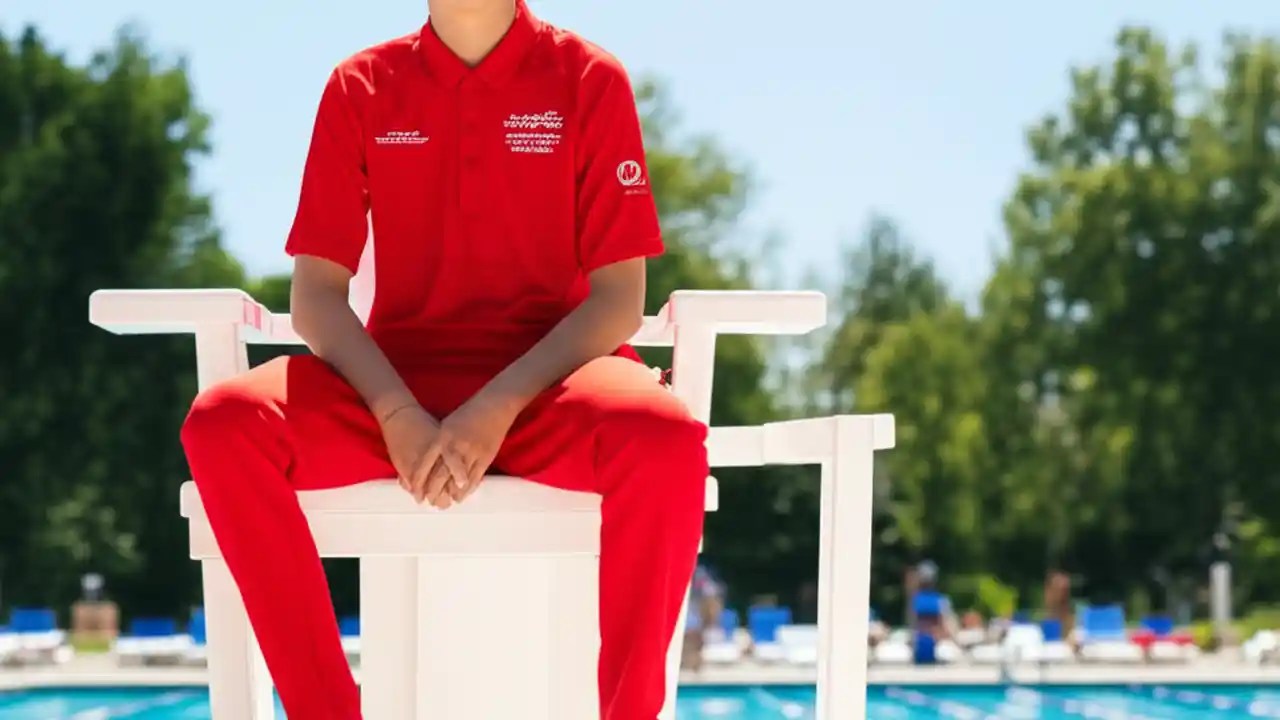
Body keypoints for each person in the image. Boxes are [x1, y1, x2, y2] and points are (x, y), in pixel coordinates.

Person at [178, 1, 709, 718]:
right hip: (395, 393)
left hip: (552, 387)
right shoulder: (359, 85)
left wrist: (496, 406)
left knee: (665, 436)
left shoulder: (588, 78)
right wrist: (395, 411)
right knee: (224, 423)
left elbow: (618, 300)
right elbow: (318, 299)